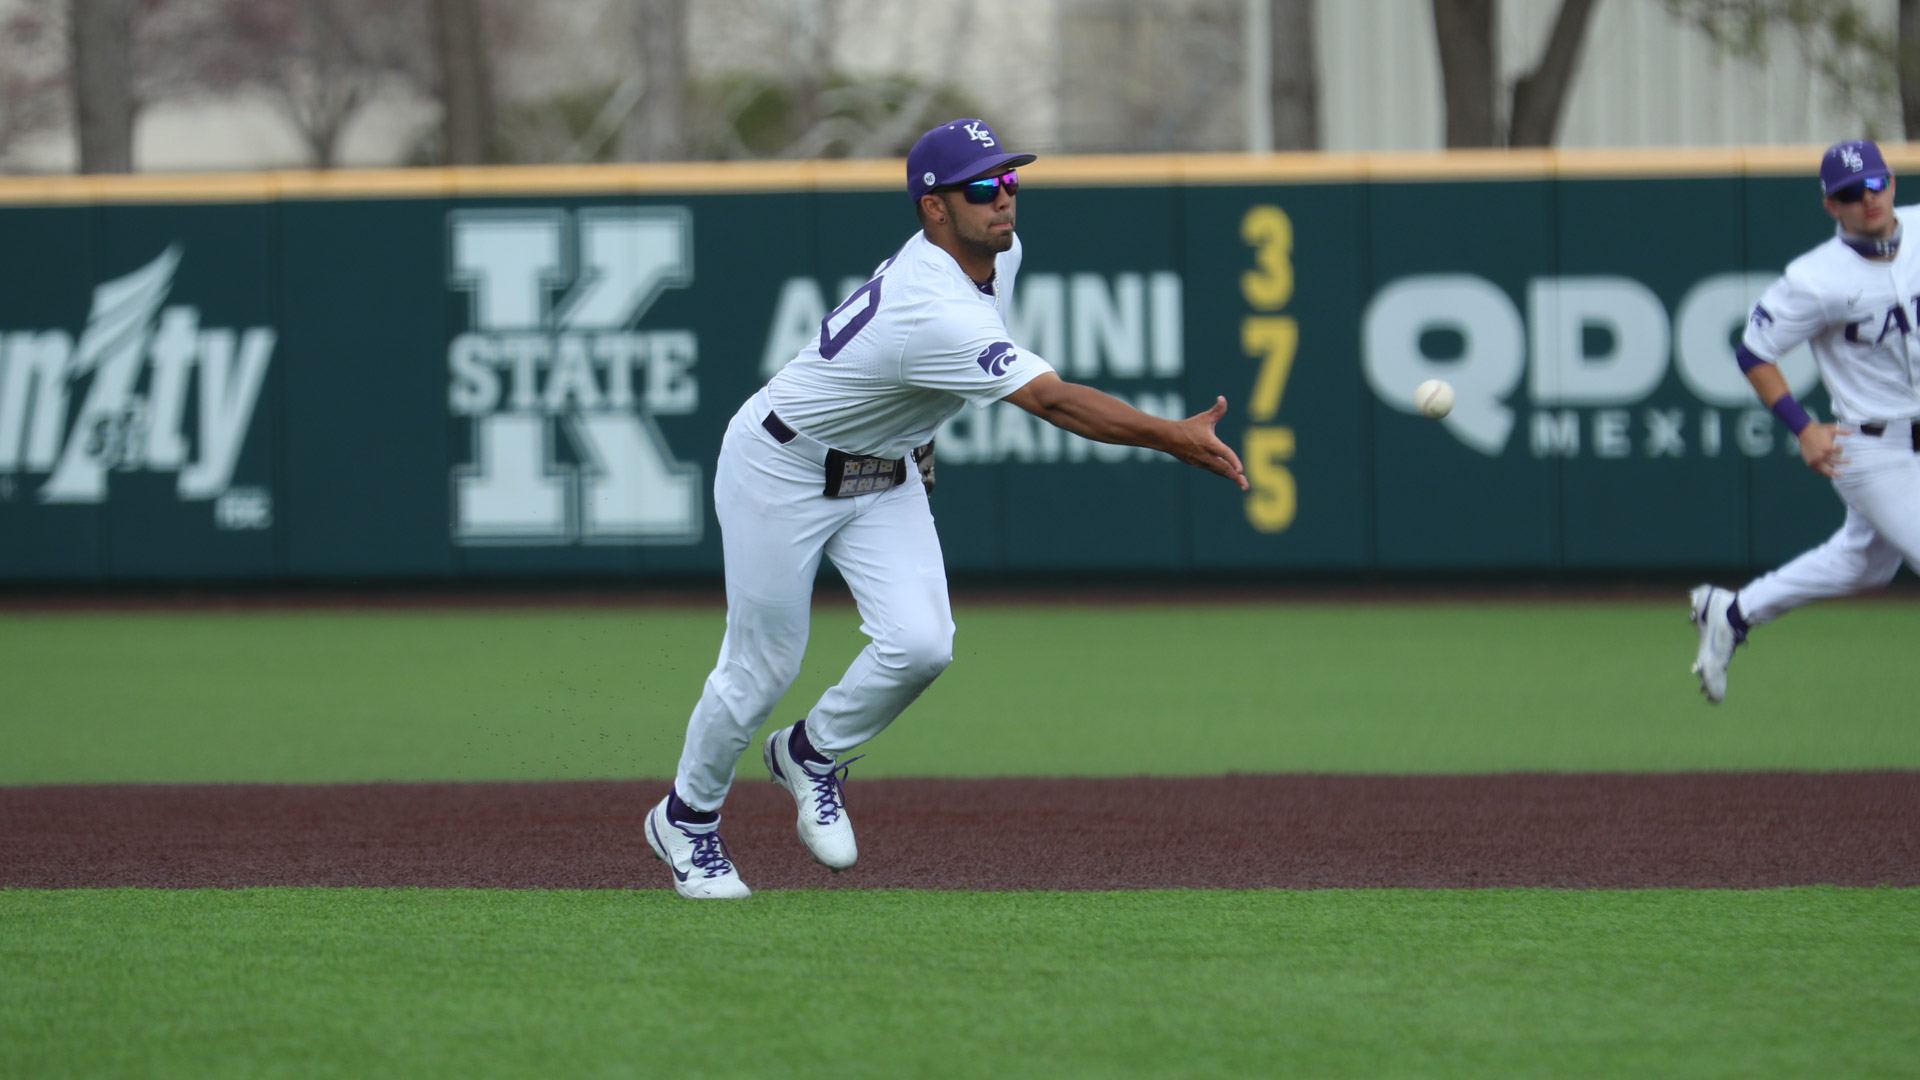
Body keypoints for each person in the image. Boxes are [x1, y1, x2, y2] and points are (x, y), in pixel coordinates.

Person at [643, 118, 1249, 898]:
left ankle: (812, 753)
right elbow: (1053, 401)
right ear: (933, 208)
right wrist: (1172, 436)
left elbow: (920, 379)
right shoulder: (930, 306)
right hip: (780, 466)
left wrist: (909, 431)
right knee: (762, 666)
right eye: (982, 187)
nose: (1005, 199)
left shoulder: (996, 257)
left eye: (1010, 181)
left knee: (923, 643)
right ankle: (686, 822)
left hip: (881, 471)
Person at [1691, 138, 1920, 703]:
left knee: (1863, 565)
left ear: (1891, 181)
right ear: (1830, 206)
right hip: (1871, 449)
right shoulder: (1814, 277)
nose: (1868, 199)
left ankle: (1733, 612)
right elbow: (1753, 351)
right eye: (1850, 192)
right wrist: (1802, 426)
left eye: (1875, 183)